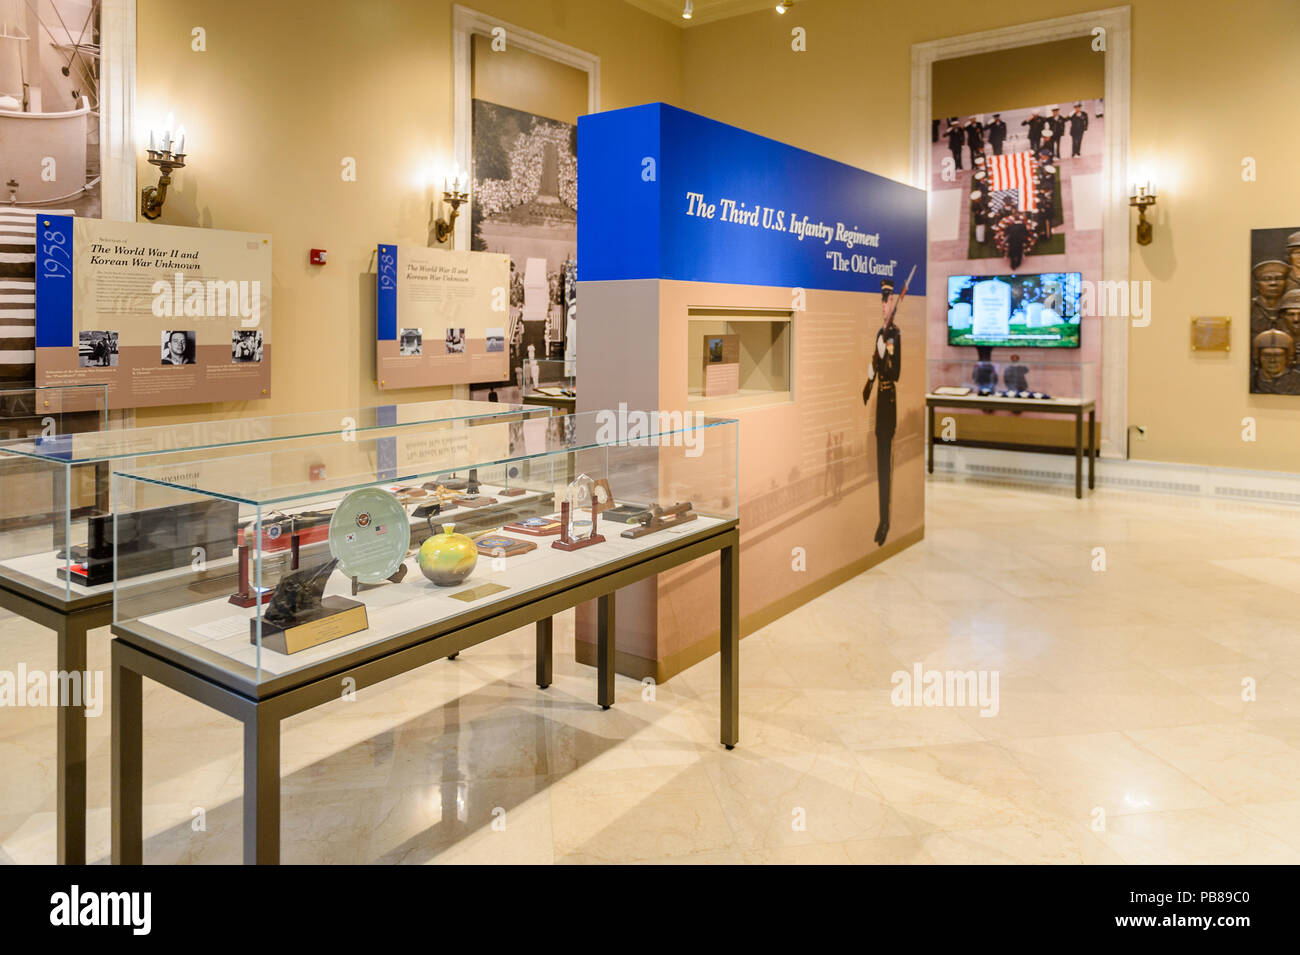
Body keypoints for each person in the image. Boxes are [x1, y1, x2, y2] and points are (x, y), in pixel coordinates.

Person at [862, 269, 912, 546]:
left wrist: (885, 354)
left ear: (894, 303)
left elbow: (894, 373)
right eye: (883, 301)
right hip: (879, 401)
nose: (886, 306)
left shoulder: (895, 334)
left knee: (887, 459)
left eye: (889, 300)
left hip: (889, 399)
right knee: (879, 459)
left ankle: (886, 520)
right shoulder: (881, 332)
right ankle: (881, 520)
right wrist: (868, 383)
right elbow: (874, 364)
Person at [1252, 329, 1300, 394]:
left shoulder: (1297, 380)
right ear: (1257, 358)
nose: (1272, 360)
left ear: (1288, 358)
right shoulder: (1253, 381)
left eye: (1278, 355)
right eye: (1267, 355)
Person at [1250, 260, 1289, 335]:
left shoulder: (1291, 308)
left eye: (1278, 278)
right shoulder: (1250, 307)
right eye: (1266, 279)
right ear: (1256, 285)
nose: (1273, 283)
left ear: (1286, 283)